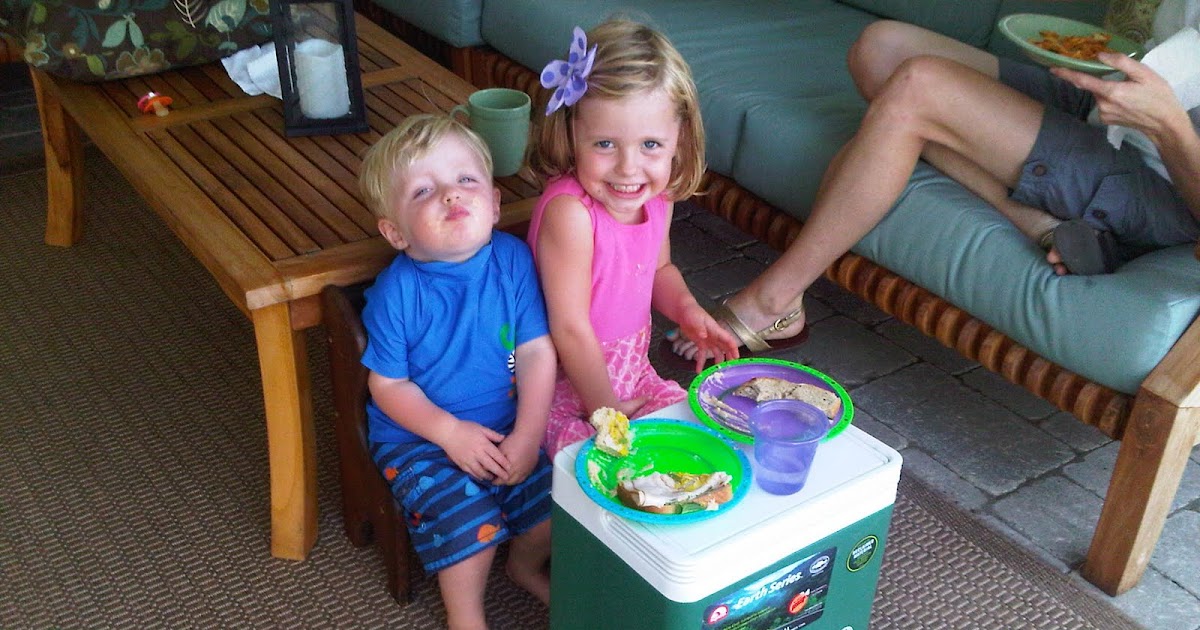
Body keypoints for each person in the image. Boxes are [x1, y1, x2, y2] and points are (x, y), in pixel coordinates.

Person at [670, 0, 1200, 363]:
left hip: (1162, 182)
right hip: (1110, 112)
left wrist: (1169, 125)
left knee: (917, 90)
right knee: (883, 48)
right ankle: (1036, 218)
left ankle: (775, 302)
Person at [358, 114, 556, 630]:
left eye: (465, 180)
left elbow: (537, 351)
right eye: (425, 190)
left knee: (561, 504)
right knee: (469, 522)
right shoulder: (397, 292)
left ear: (493, 202)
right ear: (395, 232)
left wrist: (530, 434)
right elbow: (388, 384)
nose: (451, 195)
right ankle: (464, 617)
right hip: (417, 439)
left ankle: (523, 566)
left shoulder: (513, 261)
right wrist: (449, 433)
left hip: (506, 426)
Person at [526, 18, 742, 457]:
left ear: (679, 137)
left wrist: (689, 312)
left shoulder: (659, 196)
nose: (628, 168)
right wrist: (607, 411)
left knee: (704, 441)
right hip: (561, 392)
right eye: (605, 144)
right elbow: (569, 328)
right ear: (572, 133)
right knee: (608, 466)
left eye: (650, 145)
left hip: (634, 376)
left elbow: (659, 269)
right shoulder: (571, 214)